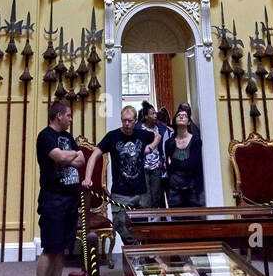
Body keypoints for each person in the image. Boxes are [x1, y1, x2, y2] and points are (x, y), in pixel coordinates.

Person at [32, 98, 86, 276]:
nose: (71, 119)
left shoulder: (67, 137)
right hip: (52, 200)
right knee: (50, 249)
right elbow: (62, 156)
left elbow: (81, 159)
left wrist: (69, 157)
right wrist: (69, 156)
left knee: (62, 249)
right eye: (69, 116)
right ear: (58, 116)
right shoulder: (46, 136)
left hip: (71, 199)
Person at [82, 105, 155, 244]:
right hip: (121, 193)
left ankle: (139, 256)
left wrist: (150, 148)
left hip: (140, 193)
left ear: (135, 121)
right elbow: (93, 156)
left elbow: (157, 136)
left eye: (129, 121)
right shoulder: (112, 136)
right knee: (120, 224)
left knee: (142, 228)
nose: (126, 124)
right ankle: (135, 252)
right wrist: (87, 178)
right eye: (124, 120)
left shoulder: (142, 134)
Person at [165, 105, 205, 207]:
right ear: (174, 121)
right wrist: (175, 164)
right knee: (177, 221)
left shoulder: (196, 141)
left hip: (193, 189)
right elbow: (168, 166)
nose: (181, 117)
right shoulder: (169, 142)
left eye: (184, 116)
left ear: (189, 122)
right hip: (175, 190)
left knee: (196, 220)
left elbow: (190, 165)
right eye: (178, 115)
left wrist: (174, 163)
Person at [141, 102, 172, 208]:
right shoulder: (138, 129)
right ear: (146, 116)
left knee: (156, 196)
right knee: (145, 197)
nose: (155, 115)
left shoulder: (162, 129)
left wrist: (162, 160)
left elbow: (165, 147)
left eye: (155, 113)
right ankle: (146, 221)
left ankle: (155, 221)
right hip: (142, 168)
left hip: (156, 168)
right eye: (152, 113)